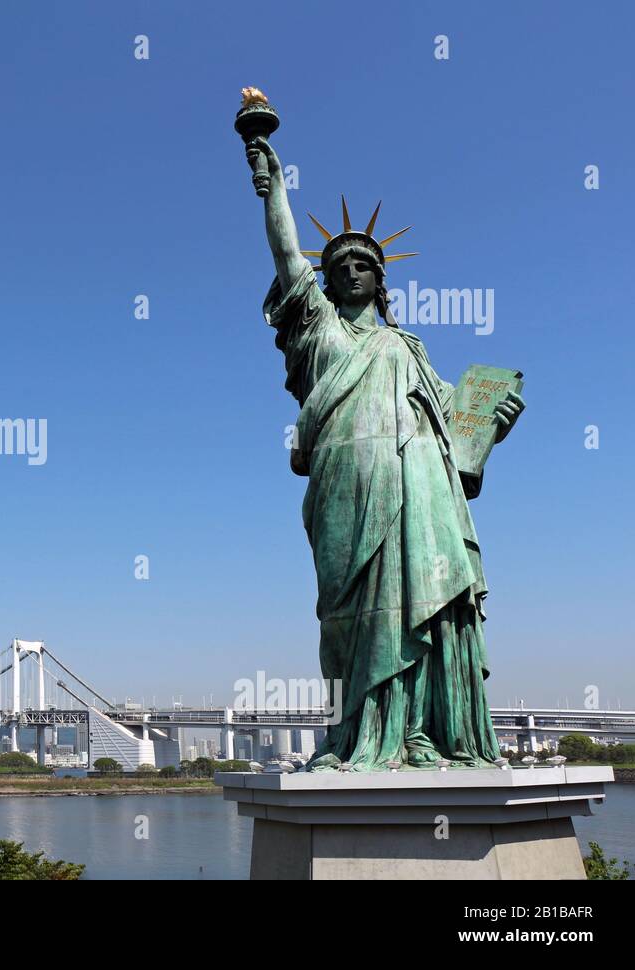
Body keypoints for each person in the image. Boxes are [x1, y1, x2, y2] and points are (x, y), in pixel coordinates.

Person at [244, 134, 525, 770]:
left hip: (417, 482)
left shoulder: (408, 348)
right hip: (345, 481)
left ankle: (421, 733)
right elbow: (289, 254)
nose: (349, 269)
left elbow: (459, 424)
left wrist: (495, 418)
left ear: (381, 278)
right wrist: (274, 184)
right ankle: (353, 734)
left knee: (424, 596)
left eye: (363, 263)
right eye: (338, 263)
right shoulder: (317, 328)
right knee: (345, 614)